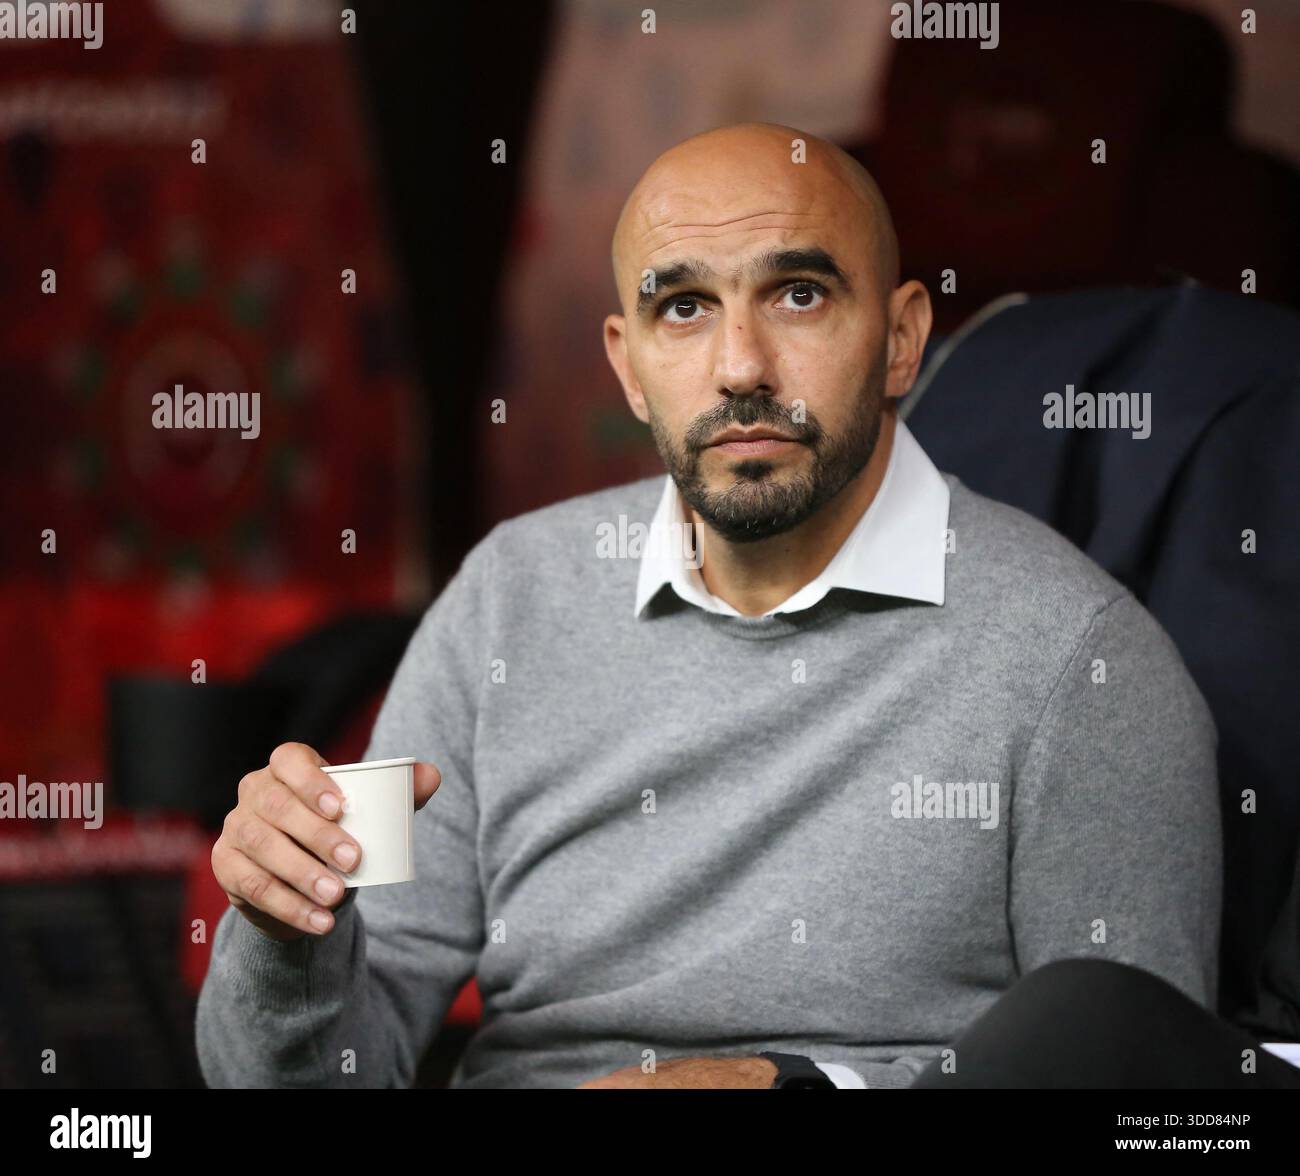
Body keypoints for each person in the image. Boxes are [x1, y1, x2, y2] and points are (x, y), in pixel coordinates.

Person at [195, 122, 1266, 1089]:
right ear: (627, 365)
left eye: (798, 293)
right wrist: (282, 932)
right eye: (684, 306)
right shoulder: (508, 599)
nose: (740, 366)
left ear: (901, 339)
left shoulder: (1083, 663)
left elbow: (1148, 1103)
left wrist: (805, 1087)